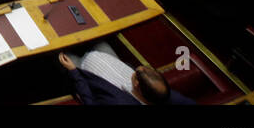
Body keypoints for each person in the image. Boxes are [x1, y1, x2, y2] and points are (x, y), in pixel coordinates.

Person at [58, 47, 191, 105]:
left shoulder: (119, 102)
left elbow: (91, 102)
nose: (137, 69)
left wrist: (74, 71)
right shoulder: (161, 91)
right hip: (107, 58)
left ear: (137, 84)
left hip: (82, 69)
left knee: (59, 48)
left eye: (137, 73)